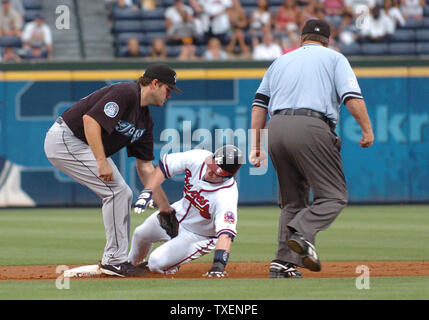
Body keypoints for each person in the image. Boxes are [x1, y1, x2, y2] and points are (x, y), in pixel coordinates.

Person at [249, 19, 374, 278]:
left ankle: (282, 263)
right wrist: (367, 129)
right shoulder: (335, 58)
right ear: (327, 40)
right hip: (311, 125)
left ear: (301, 38)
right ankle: (301, 230)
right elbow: (351, 97)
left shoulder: (280, 61)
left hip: (277, 127)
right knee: (333, 196)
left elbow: (260, 104)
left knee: (292, 201)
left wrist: (257, 145)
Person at [44, 64, 182, 277]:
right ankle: (114, 261)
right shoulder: (126, 92)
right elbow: (89, 121)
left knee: (120, 192)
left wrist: (165, 208)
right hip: (66, 139)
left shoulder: (145, 120)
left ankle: (115, 260)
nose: (169, 95)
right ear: (155, 84)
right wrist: (101, 161)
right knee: (118, 192)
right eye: (168, 89)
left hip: (82, 146)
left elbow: (145, 167)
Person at [128, 145, 243, 277]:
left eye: (217, 172)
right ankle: (132, 265)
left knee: (155, 263)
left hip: (198, 236)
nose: (210, 172)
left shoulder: (226, 196)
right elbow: (165, 167)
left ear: (227, 176)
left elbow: (226, 235)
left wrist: (218, 265)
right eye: (210, 165)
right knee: (140, 234)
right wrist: (148, 190)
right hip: (177, 214)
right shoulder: (198, 157)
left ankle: (171, 267)